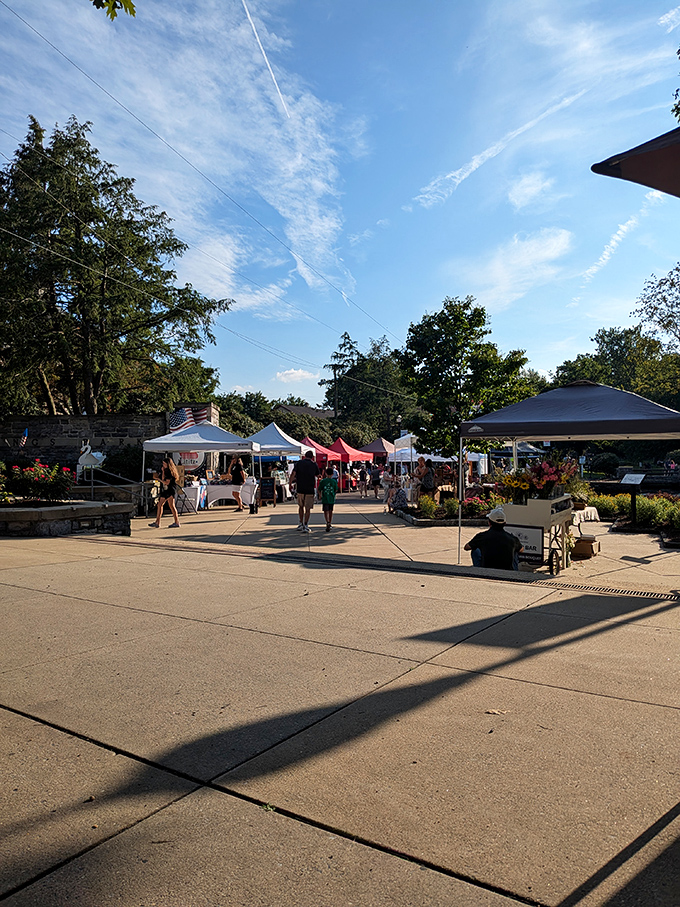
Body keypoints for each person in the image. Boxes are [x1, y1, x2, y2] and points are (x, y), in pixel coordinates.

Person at [290, 450, 320, 532]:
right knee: (308, 509)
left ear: (305, 456)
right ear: (312, 457)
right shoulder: (314, 464)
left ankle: (300, 523)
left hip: (300, 488)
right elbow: (318, 475)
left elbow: (293, 474)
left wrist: (290, 483)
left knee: (300, 506)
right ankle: (306, 525)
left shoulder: (299, 463)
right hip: (310, 489)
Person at [150, 457, 181, 528]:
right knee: (159, 504)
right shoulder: (165, 471)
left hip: (170, 490)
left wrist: (159, 479)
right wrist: (162, 472)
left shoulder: (170, 472)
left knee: (171, 506)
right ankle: (157, 522)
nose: (163, 465)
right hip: (164, 490)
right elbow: (163, 478)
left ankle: (177, 522)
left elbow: (166, 482)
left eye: (164, 464)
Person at [318, 466, 338, 532]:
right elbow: (336, 489)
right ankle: (330, 522)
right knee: (330, 511)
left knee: (325, 511)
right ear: (332, 474)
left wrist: (320, 495)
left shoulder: (323, 481)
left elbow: (319, 489)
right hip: (331, 498)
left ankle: (327, 522)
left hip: (325, 498)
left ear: (326, 474)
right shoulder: (334, 481)